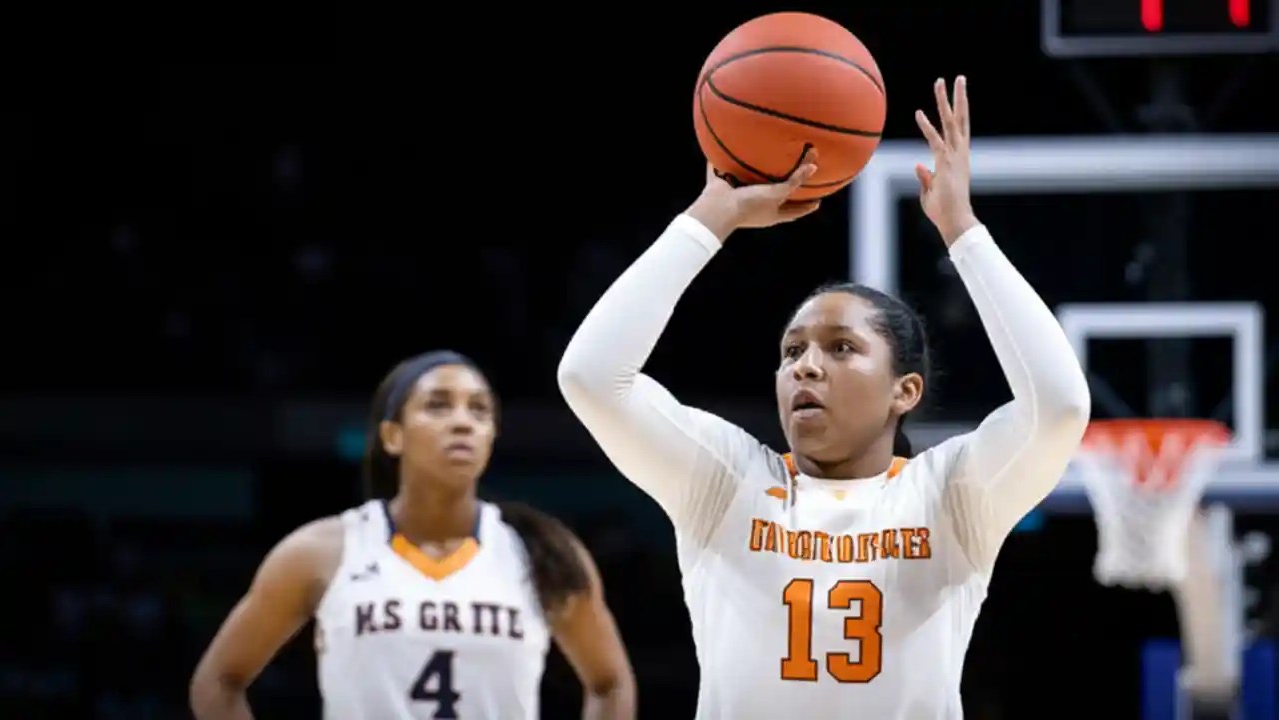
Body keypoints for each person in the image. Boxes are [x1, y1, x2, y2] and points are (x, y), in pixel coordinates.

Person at [557, 76, 1090, 718]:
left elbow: (1059, 404)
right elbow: (590, 375)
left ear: (906, 391)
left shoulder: (950, 496)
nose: (806, 367)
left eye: (841, 348)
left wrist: (963, 231)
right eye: (791, 352)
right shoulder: (727, 482)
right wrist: (710, 218)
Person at [191, 350, 637, 720]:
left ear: (492, 436)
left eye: (479, 410)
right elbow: (218, 681)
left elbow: (610, 682)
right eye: (438, 405)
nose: (462, 422)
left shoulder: (542, 552)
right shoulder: (321, 552)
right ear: (392, 436)